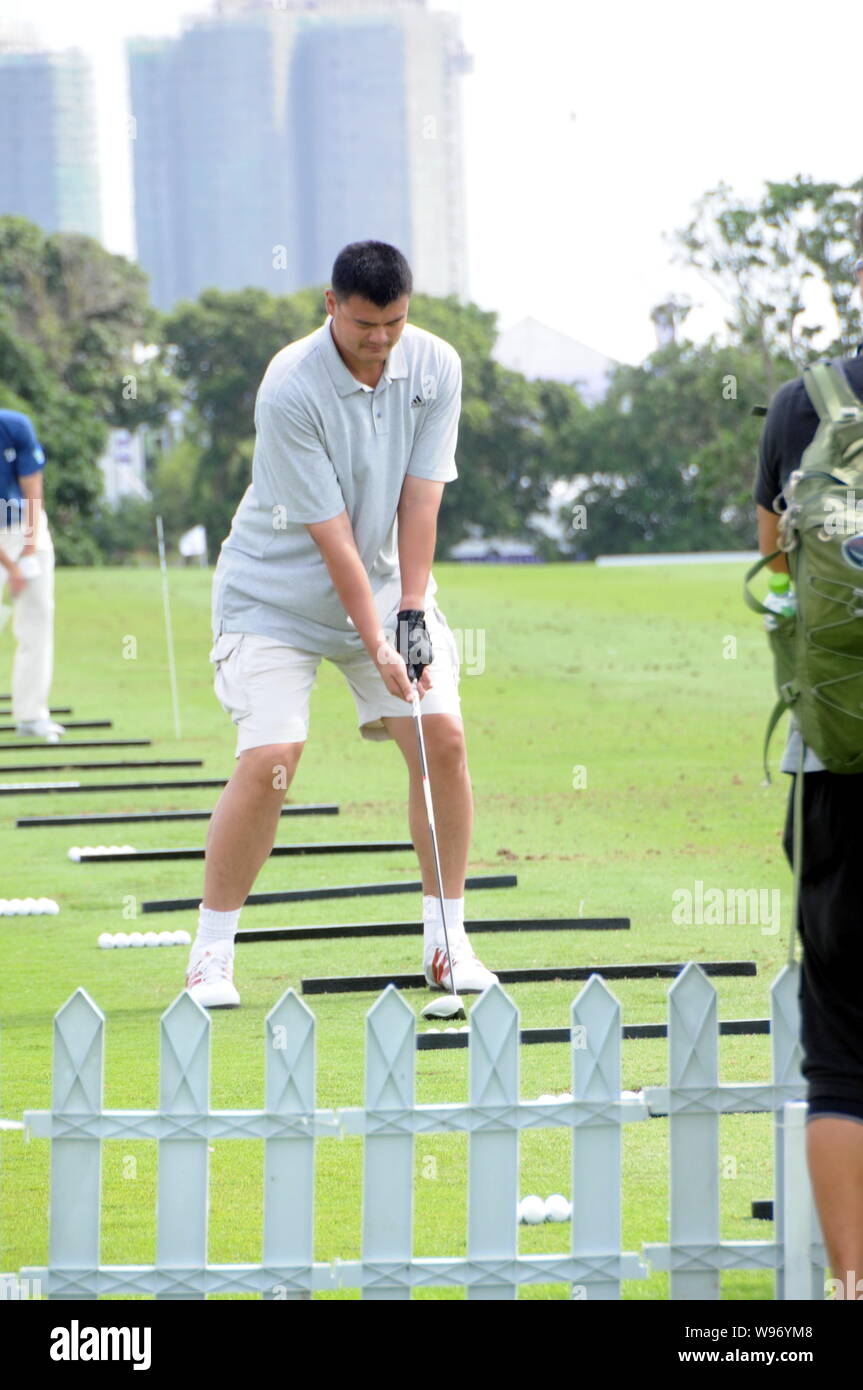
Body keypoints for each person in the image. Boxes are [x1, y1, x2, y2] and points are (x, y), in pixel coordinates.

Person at [186, 241, 497, 1009]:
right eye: (364, 324)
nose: (380, 340)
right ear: (331, 305)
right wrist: (377, 642)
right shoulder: (289, 387)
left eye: (393, 322)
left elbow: (420, 501)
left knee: (441, 737)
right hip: (275, 597)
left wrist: (413, 614)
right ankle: (210, 957)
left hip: (388, 584)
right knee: (271, 759)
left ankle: (446, 942)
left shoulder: (435, 366)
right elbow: (330, 541)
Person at [754, 232, 863, 1299]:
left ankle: (848, 1283)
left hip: (834, 756)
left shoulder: (803, 401)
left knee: (840, 1051)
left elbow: (773, 553)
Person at [0, 407, 65, 741]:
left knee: (37, 621)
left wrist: (26, 552)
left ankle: (31, 716)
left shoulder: (14, 426)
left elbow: (33, 491)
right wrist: (10, 569)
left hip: (25, 528)